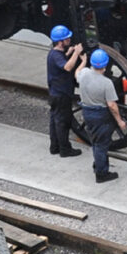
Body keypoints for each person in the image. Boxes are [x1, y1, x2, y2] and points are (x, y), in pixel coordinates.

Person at [77, 48, 127, 183]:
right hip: (101, 115)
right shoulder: (106, 83)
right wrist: (120, 121)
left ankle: (98, 164)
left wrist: (83, 62)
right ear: (105, 66)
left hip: (87, 112)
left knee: (95, 141)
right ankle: (101, 174)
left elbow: (77, 73)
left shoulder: (84, 73)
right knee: (101, 145)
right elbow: (112, 105)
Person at [46, 25, 85, 157]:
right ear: (60, 42)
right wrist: (76, 53)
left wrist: (70, 53)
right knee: (63, 122)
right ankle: (65, 149)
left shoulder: (54, 54)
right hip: (62, 94)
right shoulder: (56, 56)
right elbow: (67, 67)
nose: (69, 40)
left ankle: (54, 147)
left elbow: (62, 59)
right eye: (67, 39)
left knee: (54, 120)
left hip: (55, 93)